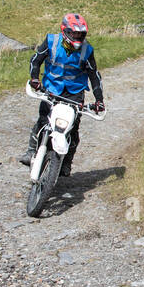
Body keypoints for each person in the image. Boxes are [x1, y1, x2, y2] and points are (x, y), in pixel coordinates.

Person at [20, 12, 104, 170]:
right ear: (65, 31)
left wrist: (99, 99)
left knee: (73, 129)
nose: (78, 36)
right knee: (43, 121)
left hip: (75, 93)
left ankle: (66, 162)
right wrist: (34, 79)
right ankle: (31, 151)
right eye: (74, 33)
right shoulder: (52, 41)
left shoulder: (87, 50)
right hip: (51, 89)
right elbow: (36, 60)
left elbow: (94, 75)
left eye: (81, 34)